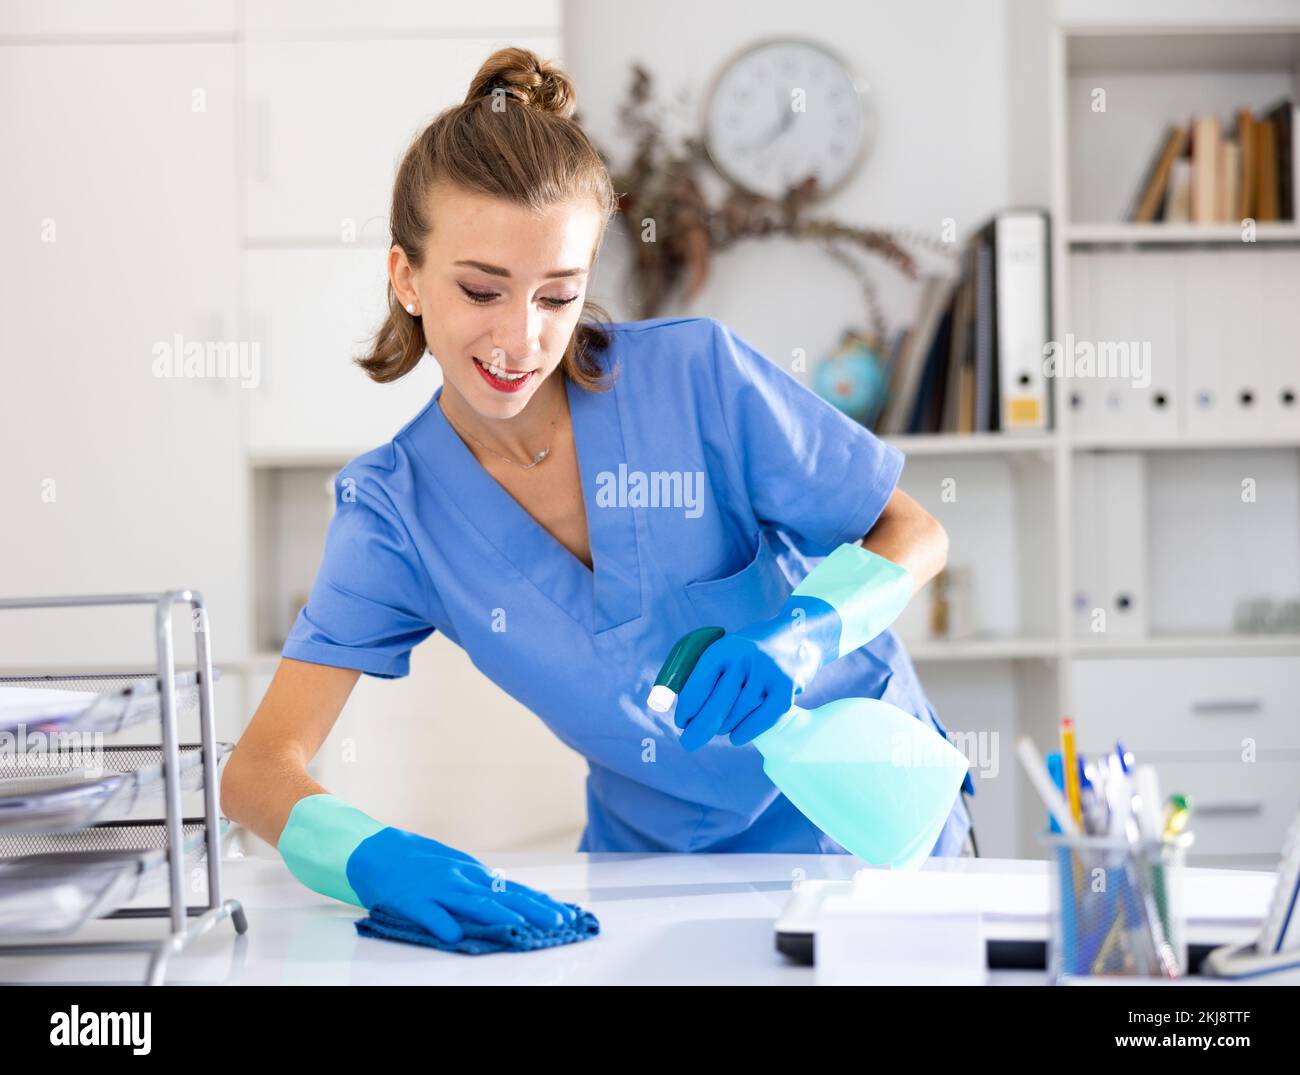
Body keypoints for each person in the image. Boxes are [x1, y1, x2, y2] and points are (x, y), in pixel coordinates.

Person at [220, 46, 974, 946]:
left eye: (558, 294)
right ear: (406, 278)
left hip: (871, 817)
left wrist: (801, 633)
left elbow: (914, 530)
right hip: (656, 867)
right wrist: (366, 853)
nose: (520, 336)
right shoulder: (395, 515)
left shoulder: (697, 377)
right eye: (479, 289)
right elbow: (259, 769)